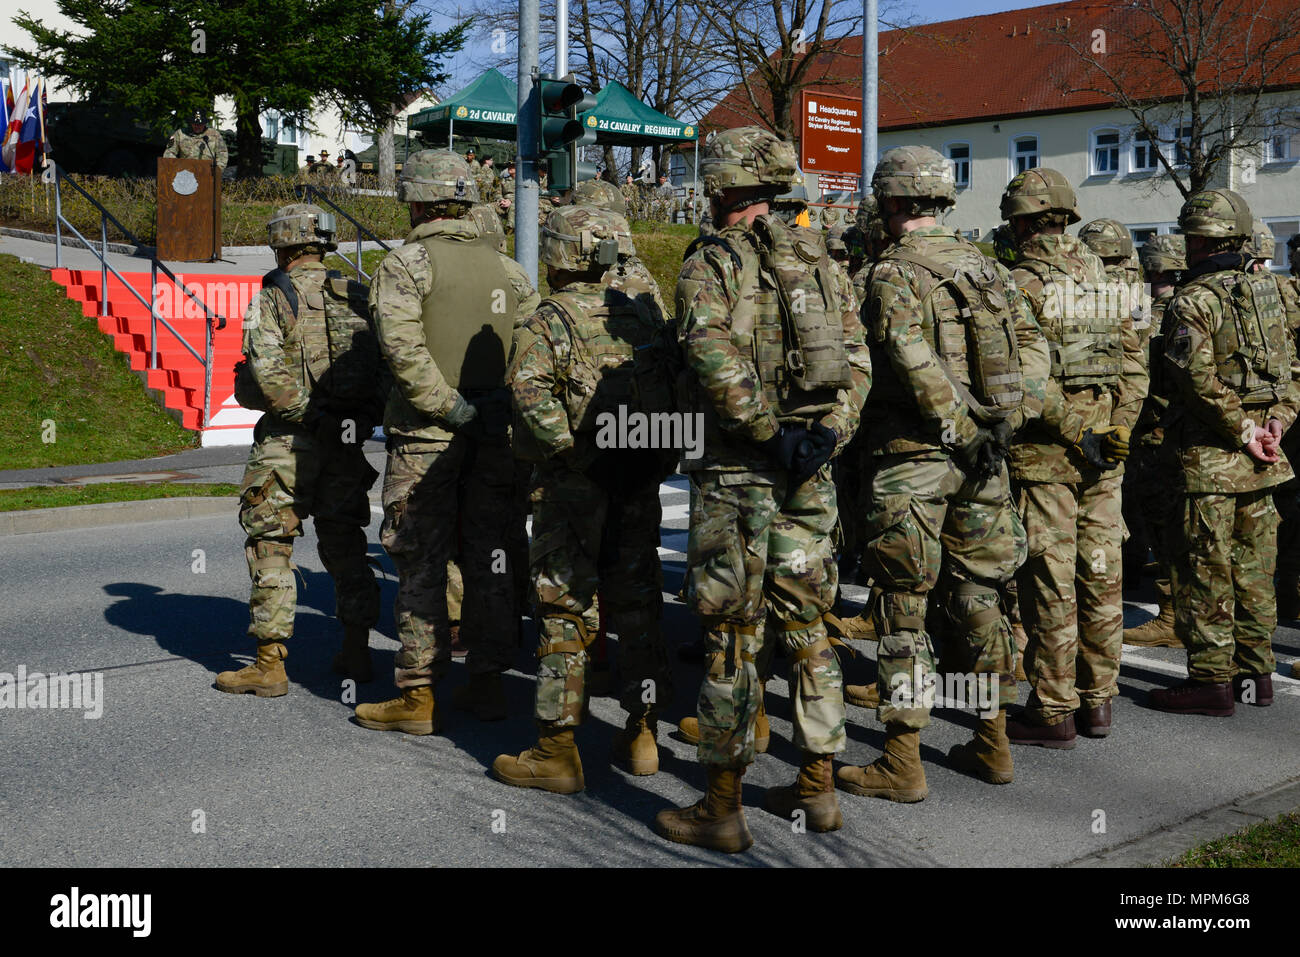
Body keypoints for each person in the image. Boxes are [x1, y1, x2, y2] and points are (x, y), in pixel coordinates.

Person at [651, 126, 871, 853]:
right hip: (811, 471)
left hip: (739, 474)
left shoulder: (712, 263)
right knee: (810, 628)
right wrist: (829, 434)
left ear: (721, 187)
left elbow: (709, 353)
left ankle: (722, 804)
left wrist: (762, 431)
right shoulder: (822, 259)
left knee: (732, 637)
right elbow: (857, 360)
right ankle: (819, 785)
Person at [835, 146, 1048, 801]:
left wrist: (959, 426)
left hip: (913, 464)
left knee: (904, 612)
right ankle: (993, 741)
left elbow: (908, 360)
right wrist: (1003, 423)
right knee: (979, 600)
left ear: (891, 201)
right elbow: (1037, 349)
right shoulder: (988, 268)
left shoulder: (887, 274)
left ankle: (901, 760)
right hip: (984, 461)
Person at [492, 204, 679, 792]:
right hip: (638, 480)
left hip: (572, 488)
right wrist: (653, 456)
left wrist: (573, 454)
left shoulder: (550, 317)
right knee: (639, 606)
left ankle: (556, 749)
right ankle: (643, 731)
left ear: (559, 255)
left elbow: (529, 393)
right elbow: (678, 388)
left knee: (564, 608)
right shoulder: (645, 313)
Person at [353, 150, 540, 734]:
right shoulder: (509, 270)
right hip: (494, 434)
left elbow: (403, 351)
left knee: (420, 561)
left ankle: (417, 694)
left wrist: (448, 406)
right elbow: (532, 346)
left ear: (417, 200)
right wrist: (494, 407)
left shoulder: (405, 265)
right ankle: (487, 683)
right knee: (491, 557)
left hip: (428, 437)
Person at [999, 168, 1147, 748]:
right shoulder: (1112, 281)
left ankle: (1054, 711)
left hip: (1046, 455)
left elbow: (1026, 380)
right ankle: (1099, 702)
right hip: (1104, 452)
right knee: (1102, 574)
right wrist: (1118, 431)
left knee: (1050, 581)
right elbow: (1136, 368)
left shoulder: (1018, 284)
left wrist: (1074, 429)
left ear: (1025, 220)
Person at [217, 204, 384, 696]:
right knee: (347, 544)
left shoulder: (274, 297)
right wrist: (351, 423)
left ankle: (270, 666)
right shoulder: (359, 293)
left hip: (289, 443)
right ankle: (357, 651)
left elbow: (268, 377)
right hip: (348, 441)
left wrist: (315, 418)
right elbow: (385, 369)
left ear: (282, 246)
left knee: (271, 544)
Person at [1152, 189, 1299, 715]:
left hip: (1211, 462)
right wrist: (1277, 422)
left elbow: (1192, 377)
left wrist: (1241, 429)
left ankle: (1212, 682)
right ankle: (1253, 678)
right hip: (1266, 460)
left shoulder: (1193, 300)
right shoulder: (1274, 293)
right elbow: (1291, 371)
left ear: (1194, 240)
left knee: (1205, 571)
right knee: (1254, 570)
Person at [1123, 234, 1187, 648]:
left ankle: (1172, 615)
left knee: (1162, 521)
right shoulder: (1182, 305)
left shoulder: (1157, 312)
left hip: (1154, 430)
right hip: (1172, 428)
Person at [162, 109, 228, 170]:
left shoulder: (214, 135)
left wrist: (217, 169)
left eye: (200, 124)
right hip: (185, 173)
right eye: (195, 124)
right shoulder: (180, 134)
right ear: (191, 123)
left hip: (208, 174)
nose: (197, 126)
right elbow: (169, 152)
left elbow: (222, 153)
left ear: (204, 123)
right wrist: (176, 167)